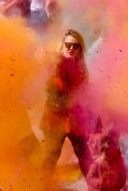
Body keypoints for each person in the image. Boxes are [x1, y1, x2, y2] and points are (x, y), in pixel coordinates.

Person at [41, 29, 99, 179]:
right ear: (62, 46)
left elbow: (84, 96)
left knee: (85, 157)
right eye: (68, 45)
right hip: (56, 120)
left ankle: (97, 187)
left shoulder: (81, 69)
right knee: (51, 157)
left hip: (74, 121)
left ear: (80, 49)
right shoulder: (55, 64)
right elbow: (52, 89)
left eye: (76, 46)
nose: (71, 48)